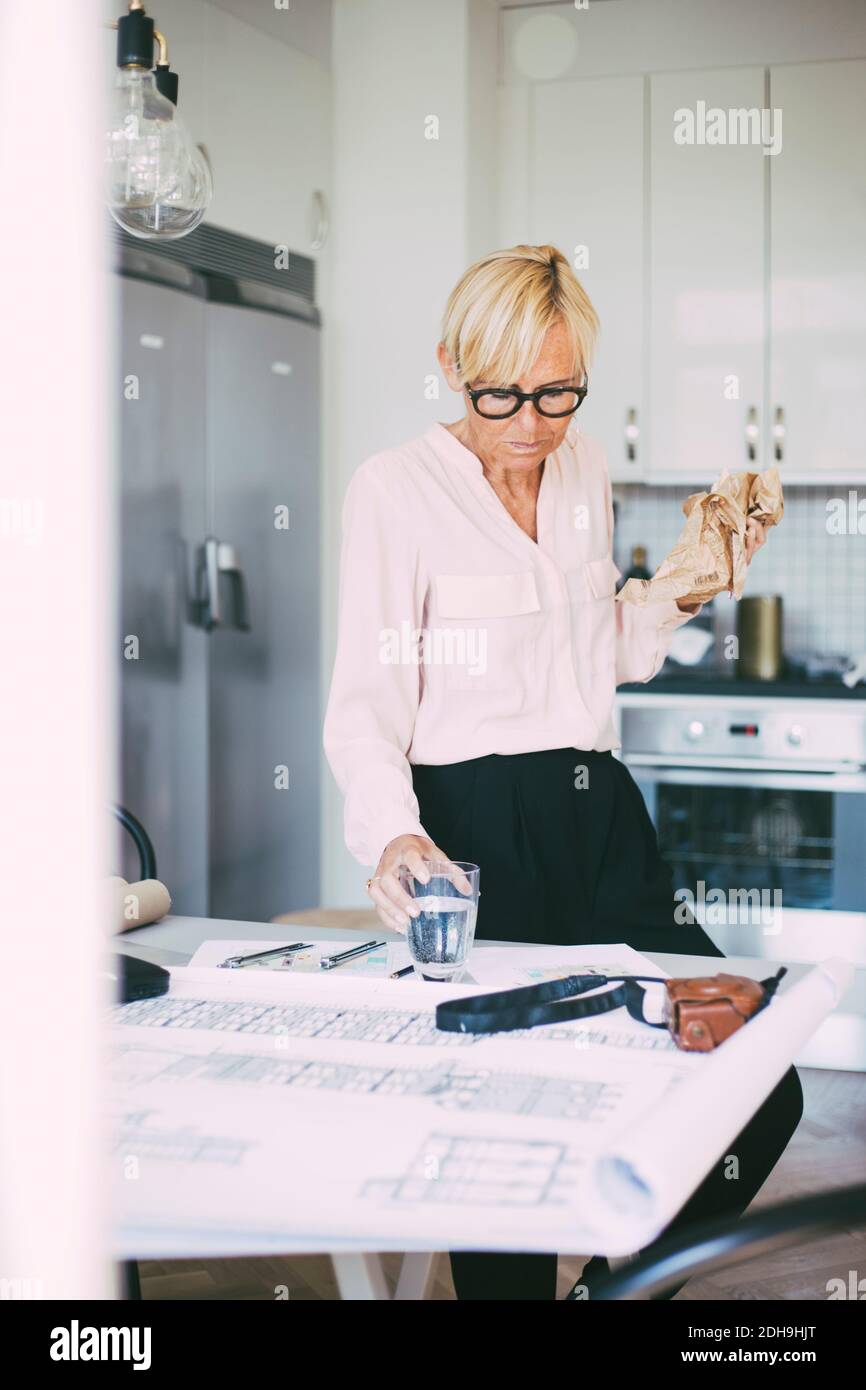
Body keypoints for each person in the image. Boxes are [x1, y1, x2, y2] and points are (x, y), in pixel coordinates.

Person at [323, 244, 803, 1300]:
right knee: (507, 1131)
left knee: (757, 1082)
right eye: (503, 395)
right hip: (473, 828)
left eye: (557, 390)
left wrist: (690, 578)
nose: (533, 422)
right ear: (451, 363)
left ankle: (612, 1290)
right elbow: (363, 700)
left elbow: (605, 652)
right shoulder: (393, 491)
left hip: (598, 819)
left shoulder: (581, 466)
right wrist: (394, 836)